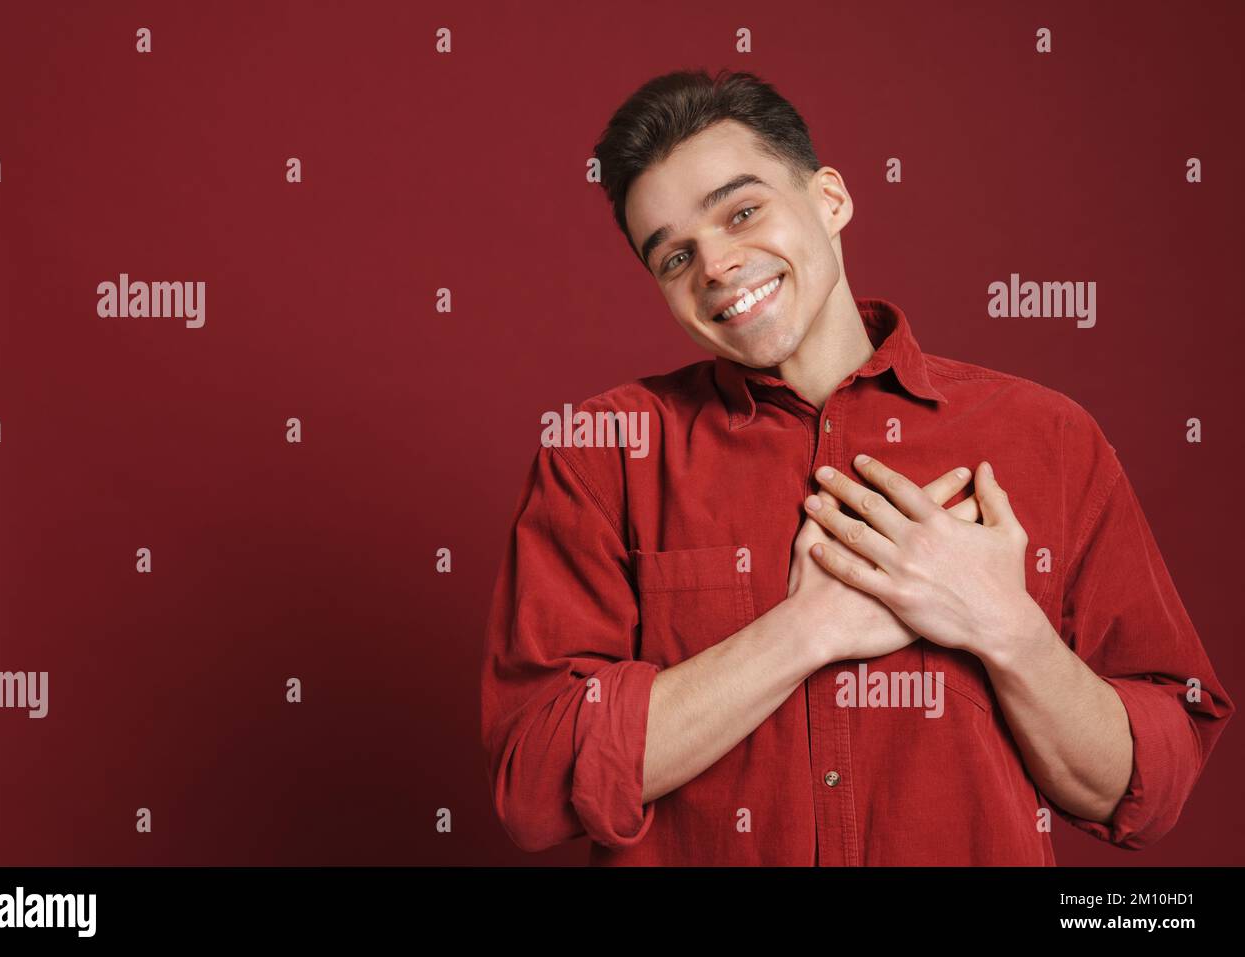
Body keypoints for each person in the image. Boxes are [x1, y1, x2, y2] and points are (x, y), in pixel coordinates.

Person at [479, 68, 1233, 865]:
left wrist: (1005, 627)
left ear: (831, 200)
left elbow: (1146, 789)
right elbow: (534, 782)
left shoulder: (1048, 436)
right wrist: (806, 630)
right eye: (674, 258)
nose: (718, 265)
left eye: (742, 211)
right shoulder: (604, 453)